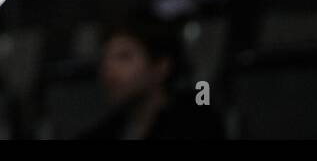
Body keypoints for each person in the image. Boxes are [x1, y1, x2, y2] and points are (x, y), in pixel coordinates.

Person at [79, 18, 225, 140]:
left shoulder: (195, 124)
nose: (109, 70)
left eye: (124, 57)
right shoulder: (108, 130)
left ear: (160, 66)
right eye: (105, 59)